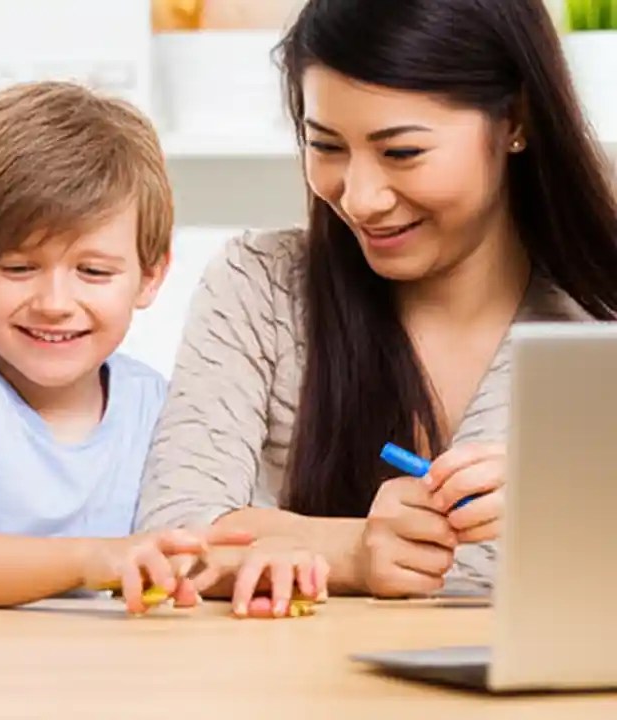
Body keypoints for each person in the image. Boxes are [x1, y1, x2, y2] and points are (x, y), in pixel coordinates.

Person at [136, 0, 617, 612]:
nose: (360, 199)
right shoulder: (258, 287)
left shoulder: (599, 309)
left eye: (401, 153)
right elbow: (172, 535)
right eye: (327, 146)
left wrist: (579, 506)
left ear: (515, 119)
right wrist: (352, 551)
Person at [0, 81, 328, 617]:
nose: (54, 302)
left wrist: (266, 555)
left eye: (92, 272)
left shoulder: (155, 404)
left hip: (68, 678)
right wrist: (98, 558)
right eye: (19, 268)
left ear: (150, 277)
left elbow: (194, 543)